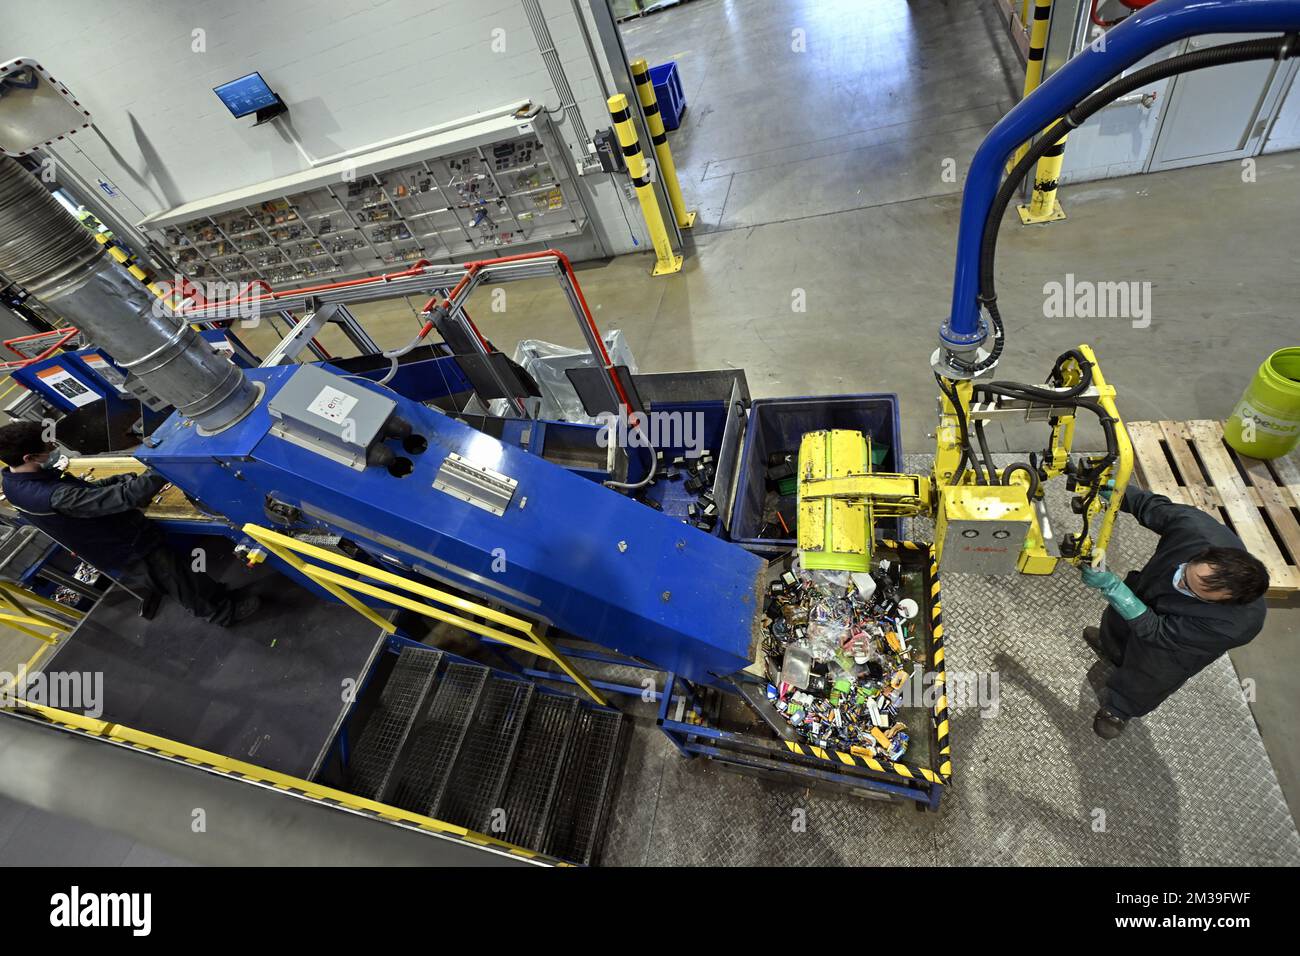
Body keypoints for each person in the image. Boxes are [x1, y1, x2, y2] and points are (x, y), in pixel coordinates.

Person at [0, 421, 258, 627]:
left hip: (117, 537)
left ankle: (216, 595)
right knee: (175, 579)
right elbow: (126, 498)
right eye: (48, 446)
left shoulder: (13, 483)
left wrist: (112, 481)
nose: (53, 448)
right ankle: (222, 614)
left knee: (180, 572)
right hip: (124, 546)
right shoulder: (51, 495)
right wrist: (164, 466)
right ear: (28, 457)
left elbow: (83, 494)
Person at [1079, 483, 1268, 739]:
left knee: (1149, 673)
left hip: (1170, 647)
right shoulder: (1197, 530)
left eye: (1189, 587)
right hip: (1146, 594)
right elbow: (1150, 506)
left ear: (1225, 601)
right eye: (1186, 571)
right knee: (1117, 624)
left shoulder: (1236, 625)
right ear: (1206, 553)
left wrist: (1113, 588)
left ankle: (1119, 708)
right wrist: (1113, 491)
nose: (1178, 582)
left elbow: (1157, 633)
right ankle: (1111, 648)